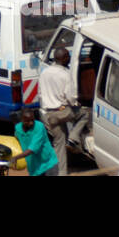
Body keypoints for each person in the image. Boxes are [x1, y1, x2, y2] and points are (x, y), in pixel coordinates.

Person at [39, 46, 82, 175]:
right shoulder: (65, 74)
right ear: (63, 58)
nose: (69, 58)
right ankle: (73, 138)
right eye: (68, 56)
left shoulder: (44, 72)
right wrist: (76, 103)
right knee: (84, 114)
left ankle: (61, 173)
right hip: (62, 112)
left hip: (48, 114)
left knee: (59, 144)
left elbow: (40, 94)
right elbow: (70, 97)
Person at [12, 108, 59, 176]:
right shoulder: (18, 129)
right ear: (22, 120)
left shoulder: (39, 127)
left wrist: (16, 157)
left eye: (32, 120)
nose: (31, 123)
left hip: (48, 164)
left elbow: (32, 149)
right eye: (27, 121)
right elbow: (16, 138)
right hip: (34, 168)